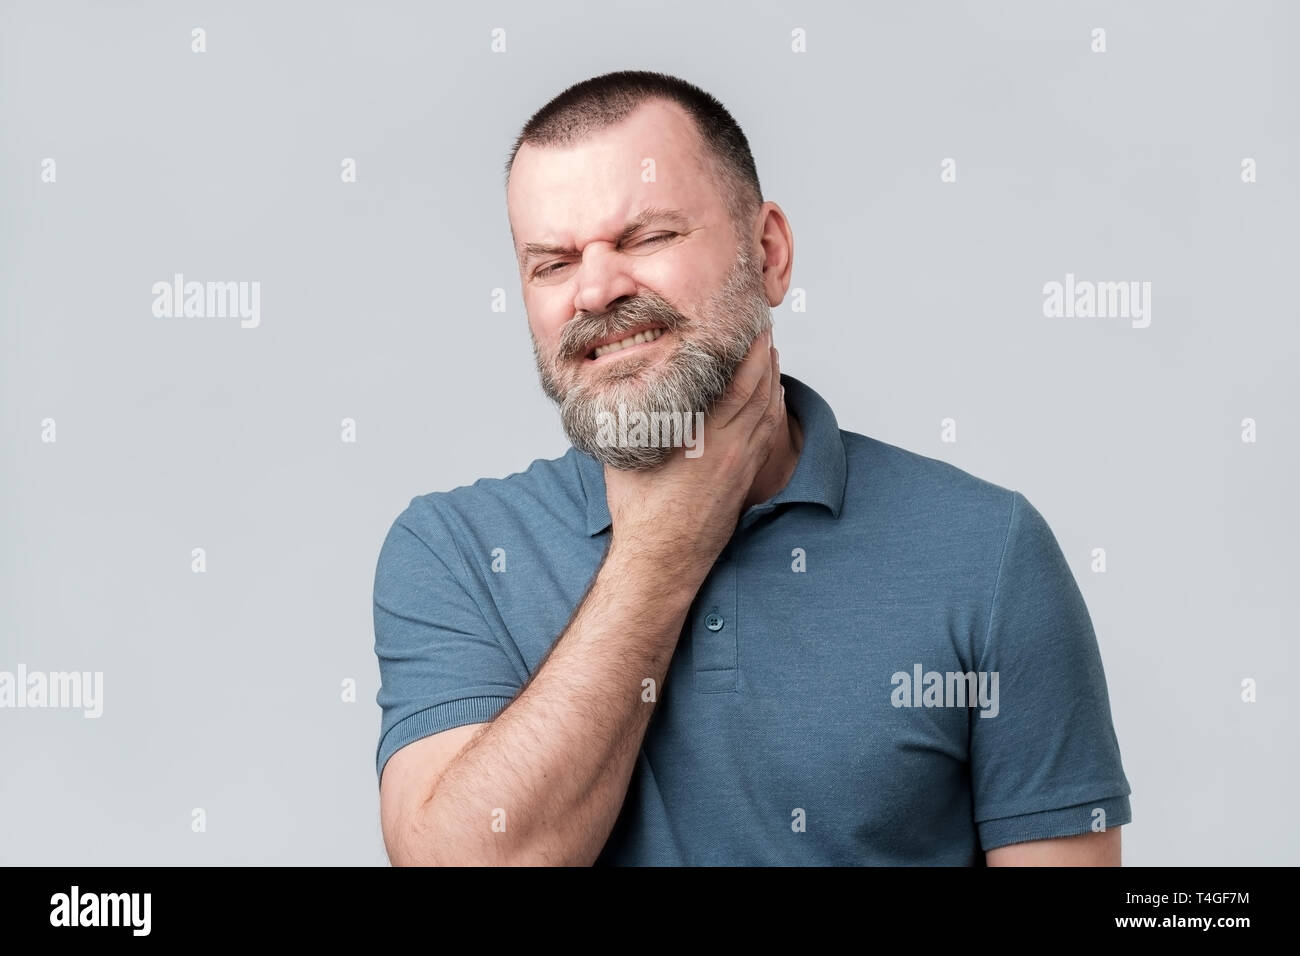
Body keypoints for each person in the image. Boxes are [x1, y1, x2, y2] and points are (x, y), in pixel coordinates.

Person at [372, 71, 1132, 866]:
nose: (595, 290)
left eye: (647, 238)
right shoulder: (453, 551)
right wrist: (664, 547)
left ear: (767, 254)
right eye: (552, 263)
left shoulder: (987, 549)